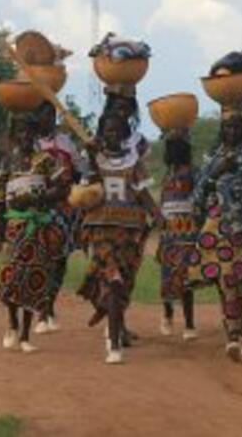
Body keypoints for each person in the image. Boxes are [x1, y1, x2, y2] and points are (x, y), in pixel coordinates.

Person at [191, 107, 242, 362]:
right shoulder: (212, 160)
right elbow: (198, 197)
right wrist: (216, 172)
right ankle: (233, 336)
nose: (232, 131)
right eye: (228, 127)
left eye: (237, 127)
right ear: (222, 131)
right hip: (222, 227)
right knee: (228, 279)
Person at [78, 113, 162, 364]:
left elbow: (143, 193)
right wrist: (92, 155)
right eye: (107, 132)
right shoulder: (92, 161)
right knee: (114, 283)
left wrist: (157, 216)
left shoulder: (134, 163)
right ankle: (114, 345)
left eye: (117, 131)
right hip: (102, 232)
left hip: (129, 234)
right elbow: (85, 192)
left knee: (123, 284)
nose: (112, 135)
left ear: (124, 135)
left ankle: (116, 326)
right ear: (101, 135)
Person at [0, 114, 70, 353]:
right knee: (11, 277)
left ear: (34, 136)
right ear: (14, 136)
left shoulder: (46, 161)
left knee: (33, 279)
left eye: (29, 133)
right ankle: (12, 324)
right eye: (21, 133)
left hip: (38, 227)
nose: (25, 137)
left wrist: (40, 197)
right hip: (15, 229)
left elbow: (63, 187)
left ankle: (25, 335)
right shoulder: (6, 164)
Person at [32, 101, 86, 333]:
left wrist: (68, 187)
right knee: (40, 260)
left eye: (51, 114)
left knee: (59, 260)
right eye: (43, 114)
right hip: (35, 208)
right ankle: (42, 307)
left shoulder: (65, 141)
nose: (48, 119)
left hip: (62, 209)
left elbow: (79, 170)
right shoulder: (30, 143)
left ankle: (47, 307)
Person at [156, 129, 198, 340]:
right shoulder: (167, 174)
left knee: (186, 276)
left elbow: (198, 198)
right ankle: (167, 315)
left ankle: (189, 324)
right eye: (170, 147)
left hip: (187, 229)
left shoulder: (192, 172)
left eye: (177, 147)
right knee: (167, 275)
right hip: (168, 231)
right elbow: (163, 200)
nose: (174, 151)